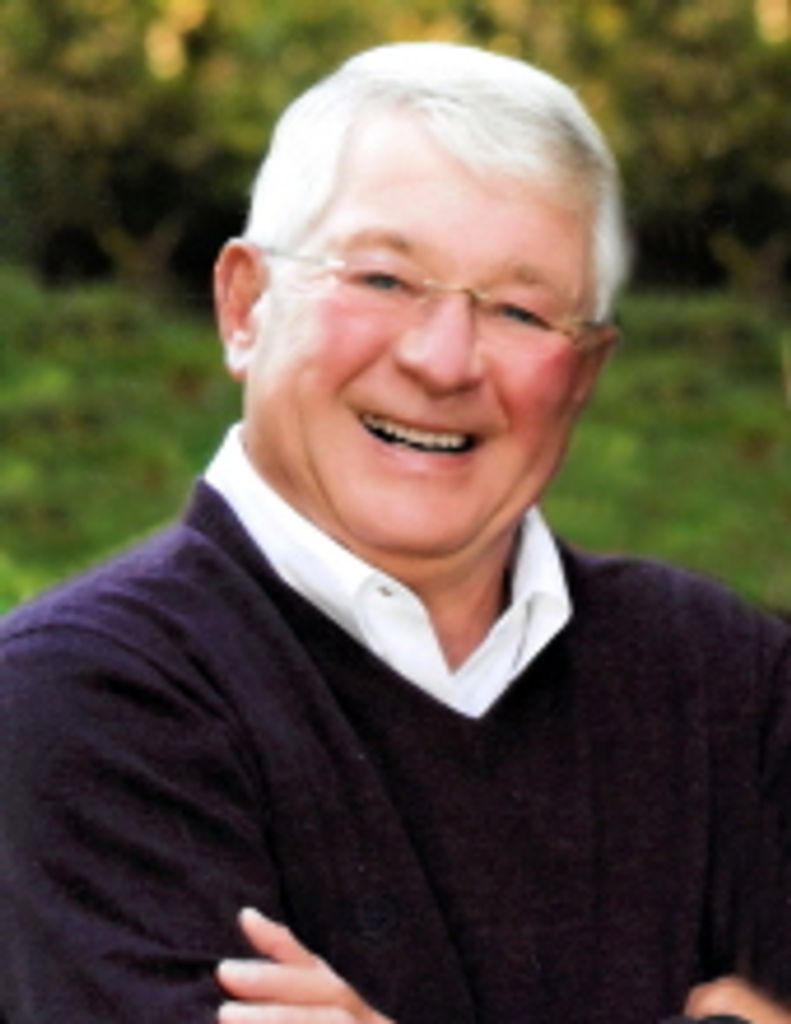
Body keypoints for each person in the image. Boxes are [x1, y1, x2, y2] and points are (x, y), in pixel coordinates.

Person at [0, 41, 789, 1024]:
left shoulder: (728, 680)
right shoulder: (77, 701)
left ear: (584, 373)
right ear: (244, 306)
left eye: (519, 310)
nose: (442, 360)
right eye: (381, 280)